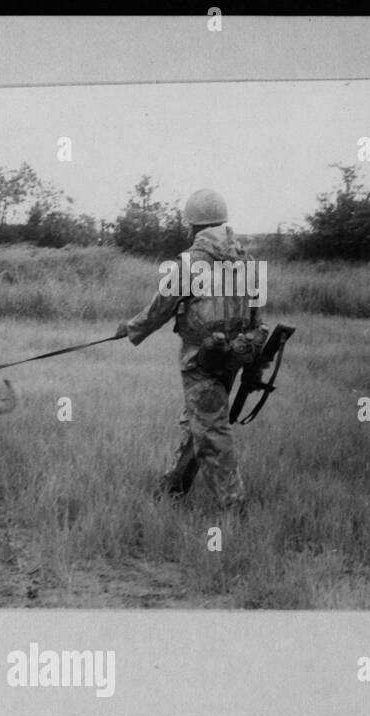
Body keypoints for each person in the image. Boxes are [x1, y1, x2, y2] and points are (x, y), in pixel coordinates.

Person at [115, 188, 268, 509]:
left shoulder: (188, 264)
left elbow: (159, 309)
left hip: (201, 359)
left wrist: (129, 329)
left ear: (194, 226)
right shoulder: (248, 261)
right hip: (234, 357)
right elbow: (257, 315)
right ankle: (173, 488)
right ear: (223, 222)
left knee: (210, 431)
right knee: (199, 421)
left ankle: (235, 506)